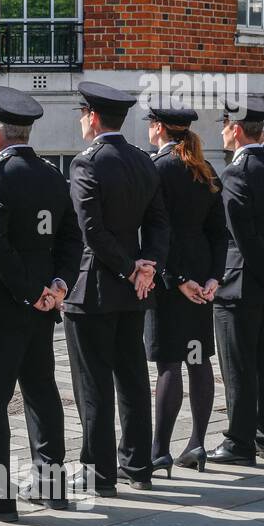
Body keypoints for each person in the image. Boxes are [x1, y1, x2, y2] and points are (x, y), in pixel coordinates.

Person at [0, 87, 80, 522]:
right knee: (41, 391)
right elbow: (71, 237)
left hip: (2, 303)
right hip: (42, 303)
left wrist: (33, 292)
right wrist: (57, 286)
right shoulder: (52, 175)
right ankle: (51, 485)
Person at [63, 82, 169, 495]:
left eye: (82, 114)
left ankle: (100, 472)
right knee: (132, 378)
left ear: (92, 116)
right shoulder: (143, 160)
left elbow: (90, 230)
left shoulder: (87, 163)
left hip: (95, 289)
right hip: (135, 288)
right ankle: (138, 464)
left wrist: (130, 269)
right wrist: (147, 266)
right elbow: (160, 223)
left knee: (93, 384)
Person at [209, 98, 264, 465]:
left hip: (241, 283)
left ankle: (239, 442)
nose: (222, 131)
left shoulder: (235, 172)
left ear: (234, 129)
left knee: (238, 365)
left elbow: (243, 237)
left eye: (224, 125)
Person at [144, 99, 228, 474]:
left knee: (169, 364)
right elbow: (218, 233)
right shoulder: (205, 168)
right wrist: (213, 278)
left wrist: (176, 279)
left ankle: (159, 449)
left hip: (171, 278)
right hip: (201, 277)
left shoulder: (157, 169)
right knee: (197, 359)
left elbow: (159, 231)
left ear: (160, 128)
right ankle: (196, 443)